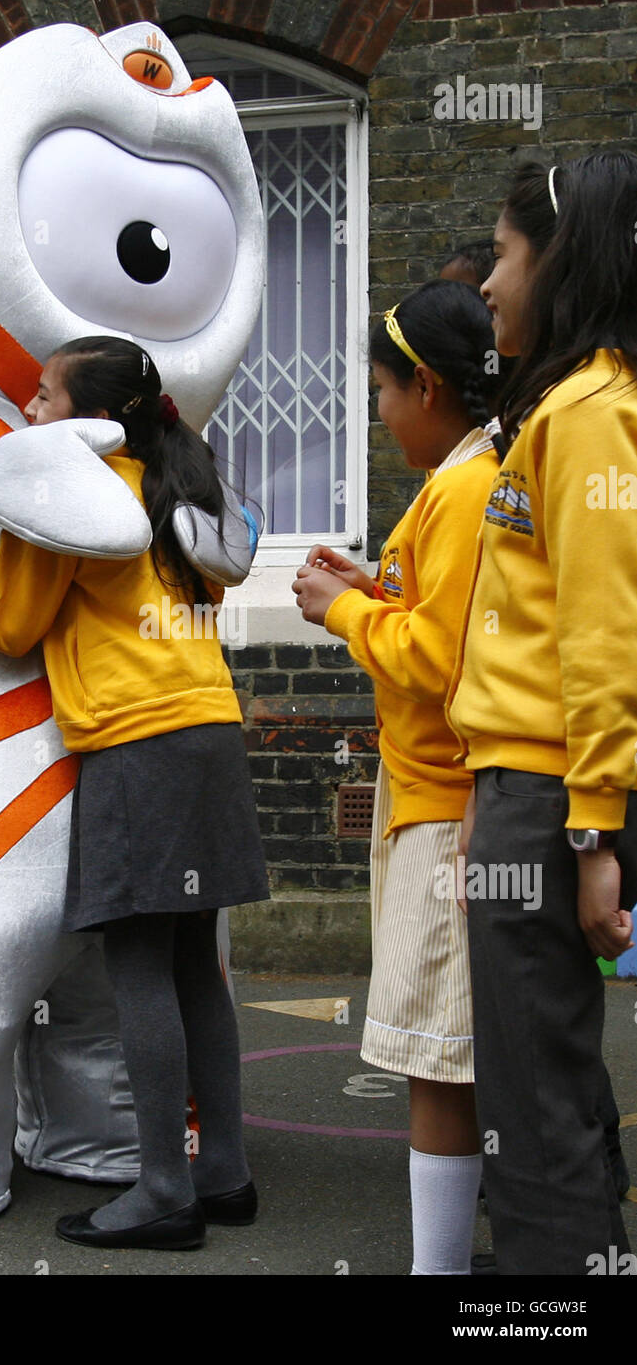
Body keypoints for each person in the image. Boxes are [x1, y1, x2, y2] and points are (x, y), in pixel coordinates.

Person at [0, 335, 269, 1251]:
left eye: (43, 398)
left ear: (93, 418)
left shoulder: (64, 496)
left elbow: (10, 625)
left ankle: (163, 1189)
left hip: (137, 746)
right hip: (208, 731)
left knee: (138, 969)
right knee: (196, 962)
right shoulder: (170, 485)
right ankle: (224, 1172)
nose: (30, 414)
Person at [448, 150, 637, 1274]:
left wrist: (590, 831)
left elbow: (604, 636)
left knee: (535, 1077)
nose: (486, 282)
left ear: (557, 260)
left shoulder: (591, 412)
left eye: (505, 255)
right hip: (526, 787)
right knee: (530, 1070)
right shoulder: (572, 405)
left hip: (552, 796)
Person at [293, 280, 500, 1274]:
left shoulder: (462, 490)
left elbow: (439, 659)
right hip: (432, 796)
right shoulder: (466, 478)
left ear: (425, 386)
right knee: (445, 1046)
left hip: (443, 805)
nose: (374, 411)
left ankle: (441, 1275)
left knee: (435, 1052)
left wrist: (340, 610)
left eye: (380, 388)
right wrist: (371, 590)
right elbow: (439, 621)